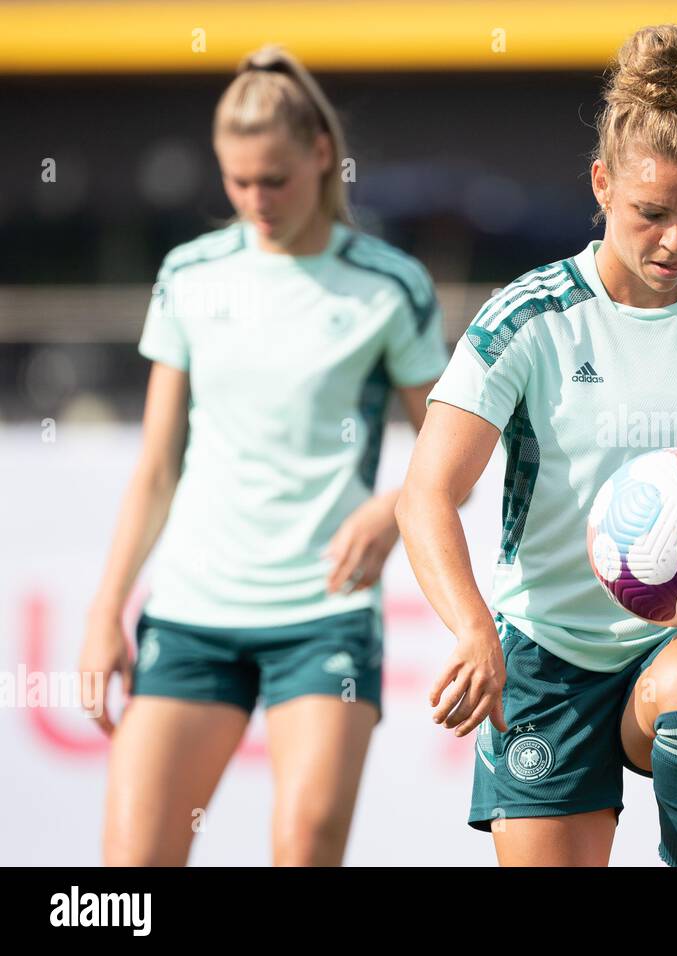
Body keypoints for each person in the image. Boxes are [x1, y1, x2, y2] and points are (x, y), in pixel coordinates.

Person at [396, 24, 677, 867]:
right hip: (545, 650)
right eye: (651, 213)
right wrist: (474, 630)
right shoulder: (526, 318)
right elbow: (426, 493)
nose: (675, 240)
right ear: (601, 185)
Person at [79, 45, 449, 866]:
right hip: (192, 611)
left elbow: (449, 447)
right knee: (128, 874)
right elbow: (155, 467)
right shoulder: (189, 274)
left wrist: (391, 510)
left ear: (323, 154)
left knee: (305, 844)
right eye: (238, 182)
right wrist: (107, 609)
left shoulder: (390, 286)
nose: (257, 201)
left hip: (325, 614)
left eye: (275, 179)